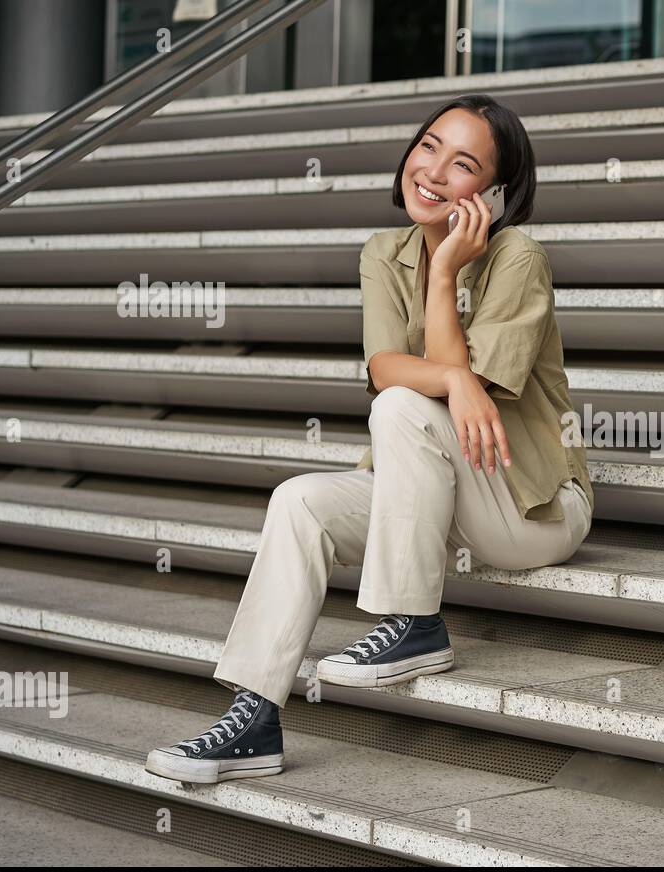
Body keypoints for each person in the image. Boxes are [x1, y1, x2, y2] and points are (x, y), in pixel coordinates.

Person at [145, 94, 594, 784]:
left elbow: (415, 388)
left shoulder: (517, 257)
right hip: (439, 494)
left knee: (402, 408)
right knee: (299, 500)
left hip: (530, 507)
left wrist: (445, 274)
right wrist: (456, 377)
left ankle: (414, 622)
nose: (435, 170)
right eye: (429, 146)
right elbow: (385, 366)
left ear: (496, 193)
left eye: (464, 163)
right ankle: (255, 718)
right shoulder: (384, 252)